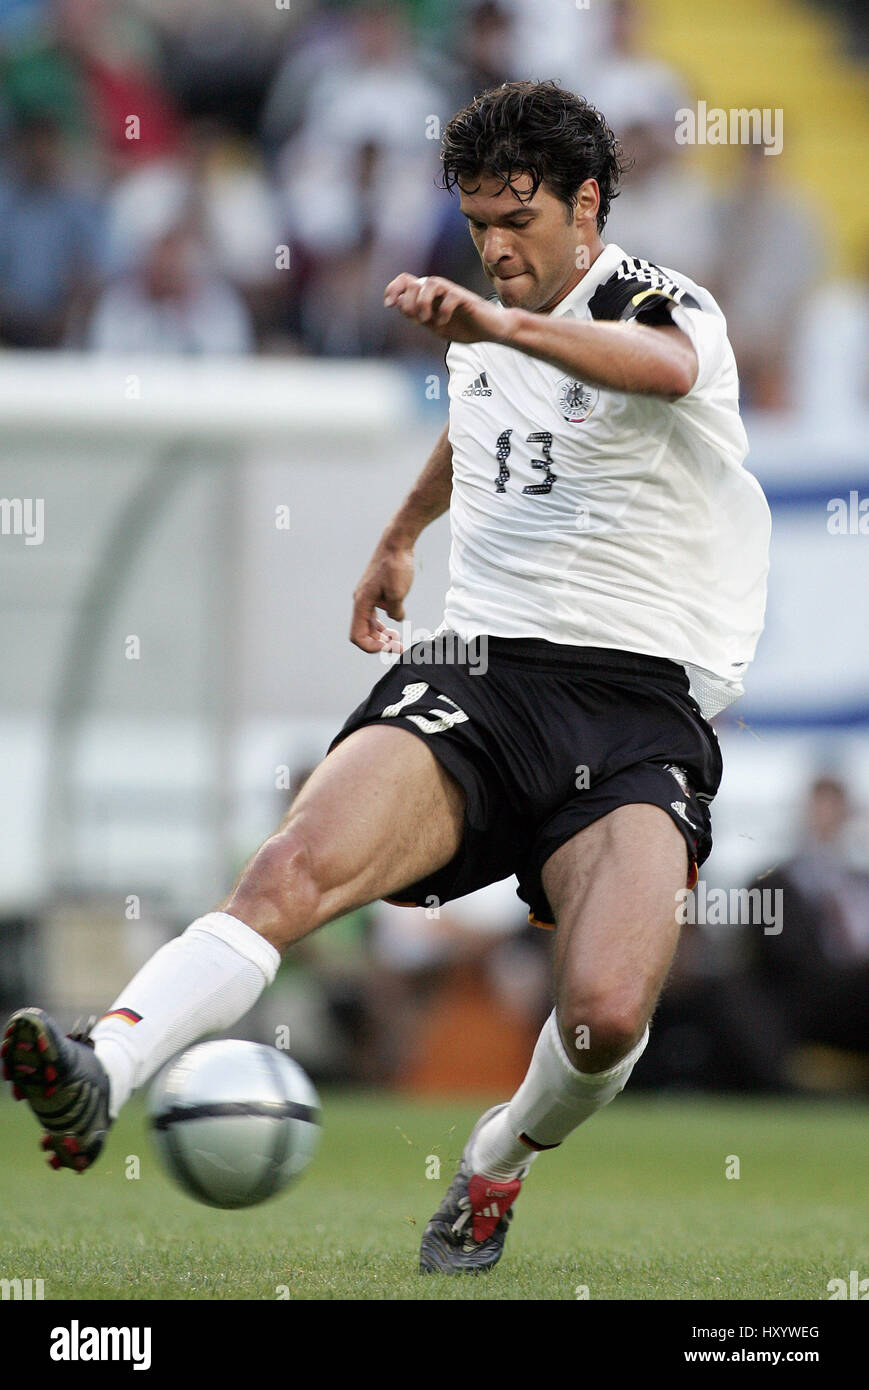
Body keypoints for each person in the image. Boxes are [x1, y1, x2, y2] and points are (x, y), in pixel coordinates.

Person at [3, 80, 771, 1275]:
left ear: (587, 204)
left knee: (605, 1015)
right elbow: (480, 420)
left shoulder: (652, 304)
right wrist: (401, 533)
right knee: (288, 867)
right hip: (482, 673)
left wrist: (497, 321)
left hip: (635, 709)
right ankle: (106, 1066)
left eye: (518, 221)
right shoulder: (493, 317)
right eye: (476, 224)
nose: (496, 248)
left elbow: (654, 372)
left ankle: (499, 1153)